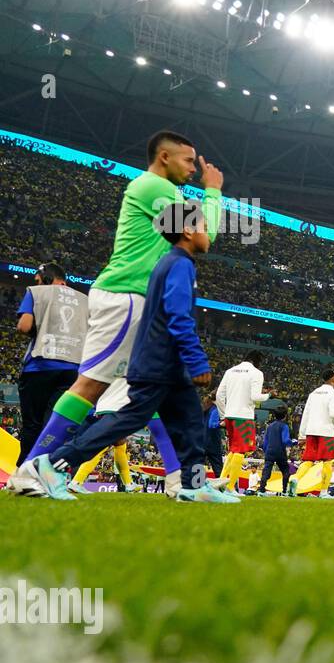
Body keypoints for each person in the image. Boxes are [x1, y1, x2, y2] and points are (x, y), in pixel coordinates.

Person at [9, 131, 221, 495]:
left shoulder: (162, 191)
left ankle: (184, 480)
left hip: (140, 300)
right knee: (90, 384)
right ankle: (34, 469)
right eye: (188, 160)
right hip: (127, 297)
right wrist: (214, 191)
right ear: (165, 157)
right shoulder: (157, 188)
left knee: (168, 392)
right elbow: (204, 237)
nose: (194, 168)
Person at [25, 201, 235, 503]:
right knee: (128, 420)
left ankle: (193, 485)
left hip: (167, 364)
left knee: (191, 425)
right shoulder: (179, 265)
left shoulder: (172, 262)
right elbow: (177, 315)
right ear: (188, 230)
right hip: (158, 363)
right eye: (204, 227)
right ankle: (53, 463)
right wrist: (196, 359)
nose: (209, 235)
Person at [15, 262, 86, 464]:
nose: (37, 283)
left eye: (39, 279)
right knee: (56, 424)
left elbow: (24, 325)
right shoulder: (85, 300)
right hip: (73, 368)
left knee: (32, 425)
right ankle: (48, 471)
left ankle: (23, 470)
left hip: (40, 366)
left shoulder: (36, 292)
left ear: (47, 278)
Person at [215, 351, 273, 492]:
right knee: (240, 452)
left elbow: (218, 395)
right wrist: (269, 395)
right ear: (257, 361)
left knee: (233, 451)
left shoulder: (230, 371)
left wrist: (223, 415)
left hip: (230, 416)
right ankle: (230, 488)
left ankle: (220, 484)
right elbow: (255, 396)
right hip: (244, 417)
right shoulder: (256, 373)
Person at [288, 370, 334, 497]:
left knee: (308, 460)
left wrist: (302, 435)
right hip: (326, 432)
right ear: (333, 379)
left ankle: (295, 478)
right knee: (328, 462)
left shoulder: (313, 394)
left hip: (311, 431)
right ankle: (323, 491)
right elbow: (333, 413)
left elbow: (305, 415)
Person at [256, 406, 293, 495]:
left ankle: (261, 490)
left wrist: (266, 451)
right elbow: (285, 440)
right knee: (285, 470)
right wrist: (293, 443)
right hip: (280, 451)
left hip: (269, 451)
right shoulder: (284, 426)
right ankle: (284, 491)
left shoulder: (270, 426)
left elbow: (265, 442)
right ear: (285, 415)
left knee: (266, 470)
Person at [202, 393, 224, 480]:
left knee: (197, 467)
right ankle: (223, 490)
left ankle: (196, 488)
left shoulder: (203, 410)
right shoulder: (215, 410)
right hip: (213, 443)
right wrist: (222, 424)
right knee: (219, 470)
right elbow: (212, 425)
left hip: (200, 442)